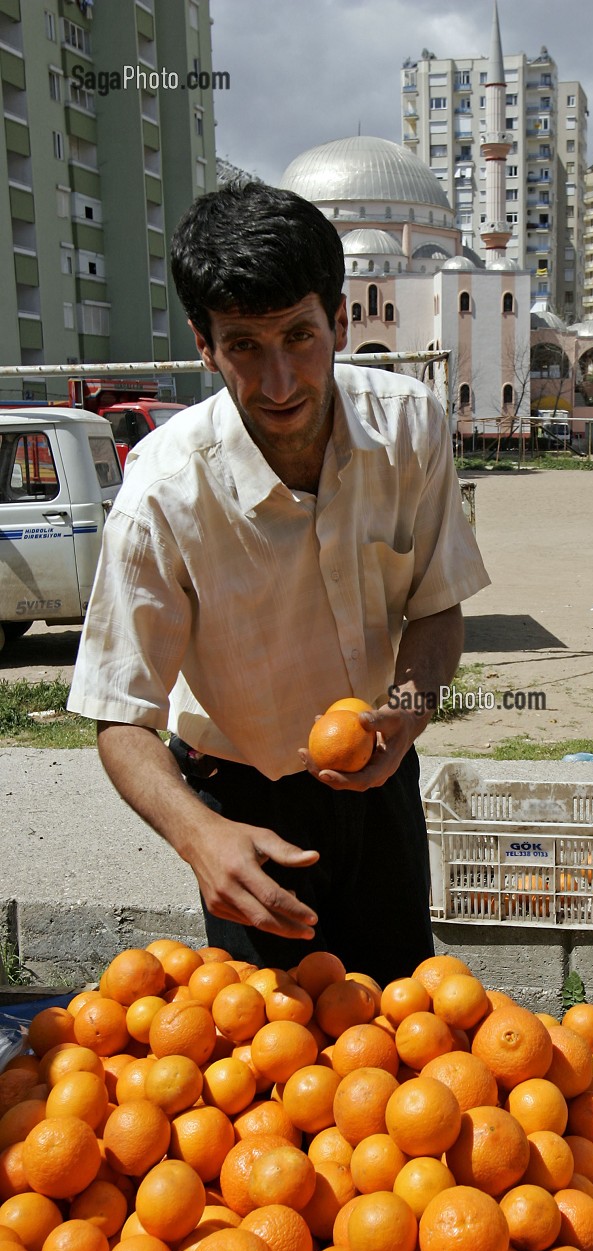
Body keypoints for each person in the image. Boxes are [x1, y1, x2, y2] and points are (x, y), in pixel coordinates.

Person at [68, 181, 489, 984]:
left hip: (382, 778)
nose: (281, 380)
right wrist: (200, 838)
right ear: (204, 344)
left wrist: (403, 714)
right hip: (241, 807)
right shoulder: (162, 491)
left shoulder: (411, 427)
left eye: (299, 335)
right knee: (268, 1068)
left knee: (403, 1033)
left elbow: (437, 611)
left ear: (339, 319)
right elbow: (119, 716)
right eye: (245, 348)